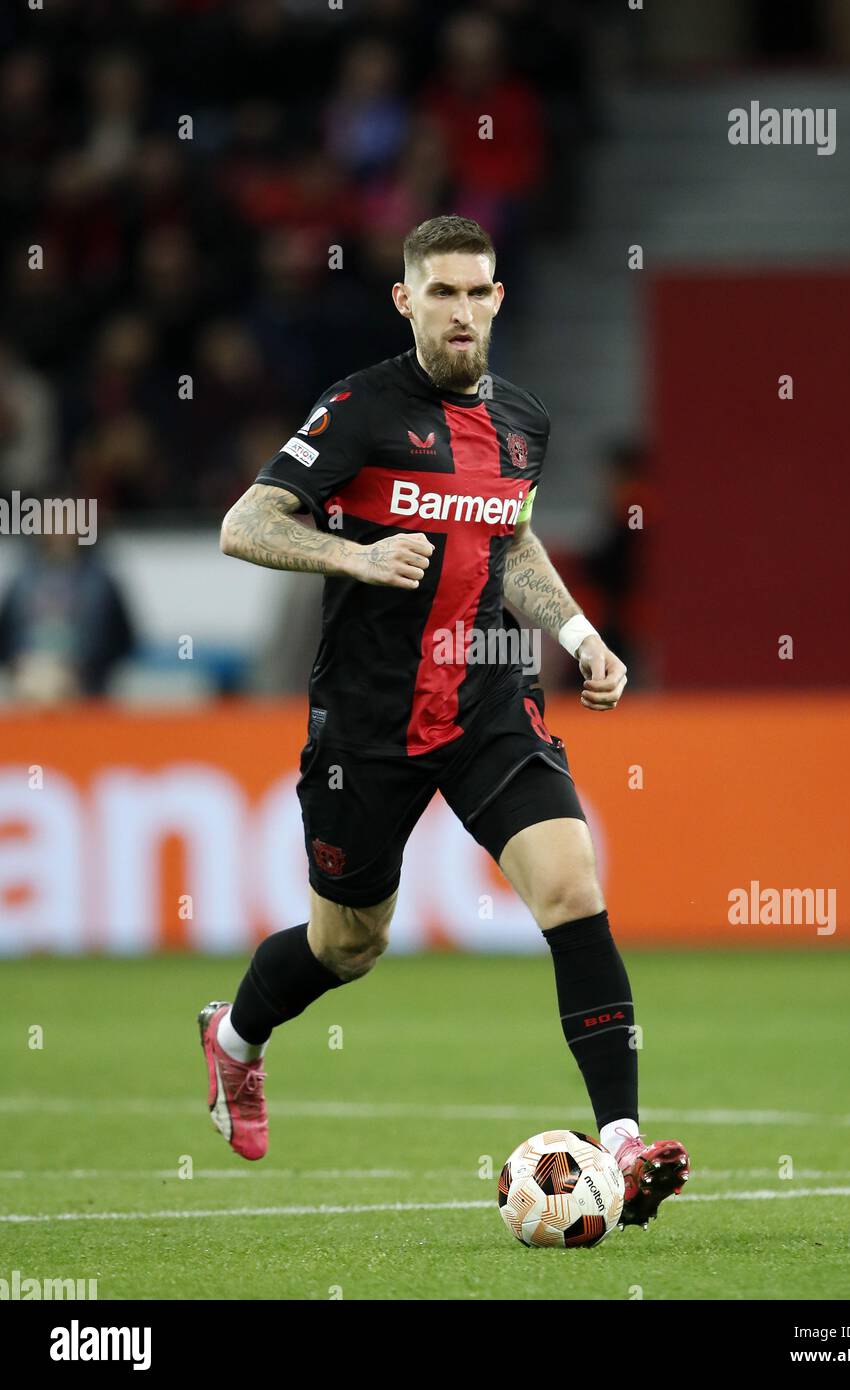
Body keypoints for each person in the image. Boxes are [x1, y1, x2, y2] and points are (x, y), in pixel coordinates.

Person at [201, 214, 689, 1228]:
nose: (462, 311)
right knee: (348, 944)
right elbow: (244, 522)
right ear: (406, 300)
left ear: (499, 299)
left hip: (486, 694)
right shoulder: (359, 409)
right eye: (443, 293)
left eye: (478, 292)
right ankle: (236, 1040)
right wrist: (357, 556)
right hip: (368, 722)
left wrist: (584, 635)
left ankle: (623, 1146)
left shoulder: (524, 422)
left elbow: (509, 545)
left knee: (570, 886)